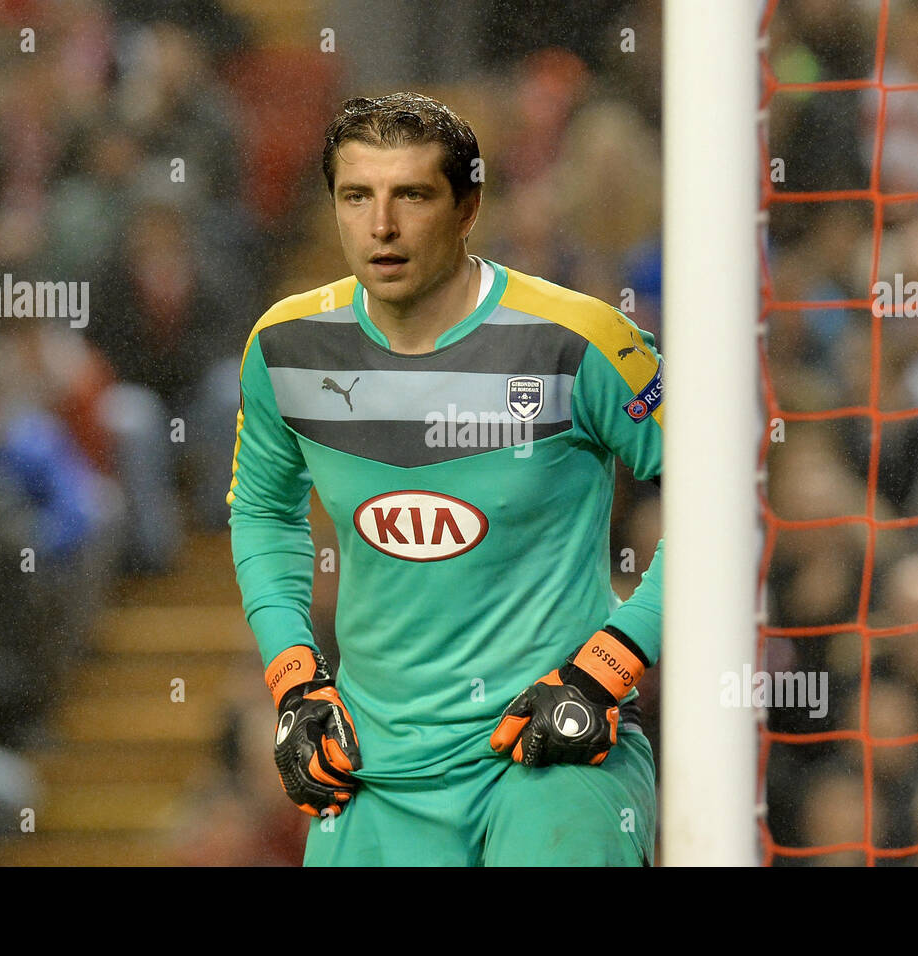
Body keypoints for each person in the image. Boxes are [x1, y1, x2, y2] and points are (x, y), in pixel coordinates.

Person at [227, 91, 663, 866]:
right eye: (356, 196)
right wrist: (295, 680)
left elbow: (724, 499)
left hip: (548, 752)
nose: (381, 225)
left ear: (468, 209)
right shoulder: (285, 349)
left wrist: (609, 666)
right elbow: (262, 511)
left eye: (413, 196)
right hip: (375, 767)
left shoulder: (581, 340)